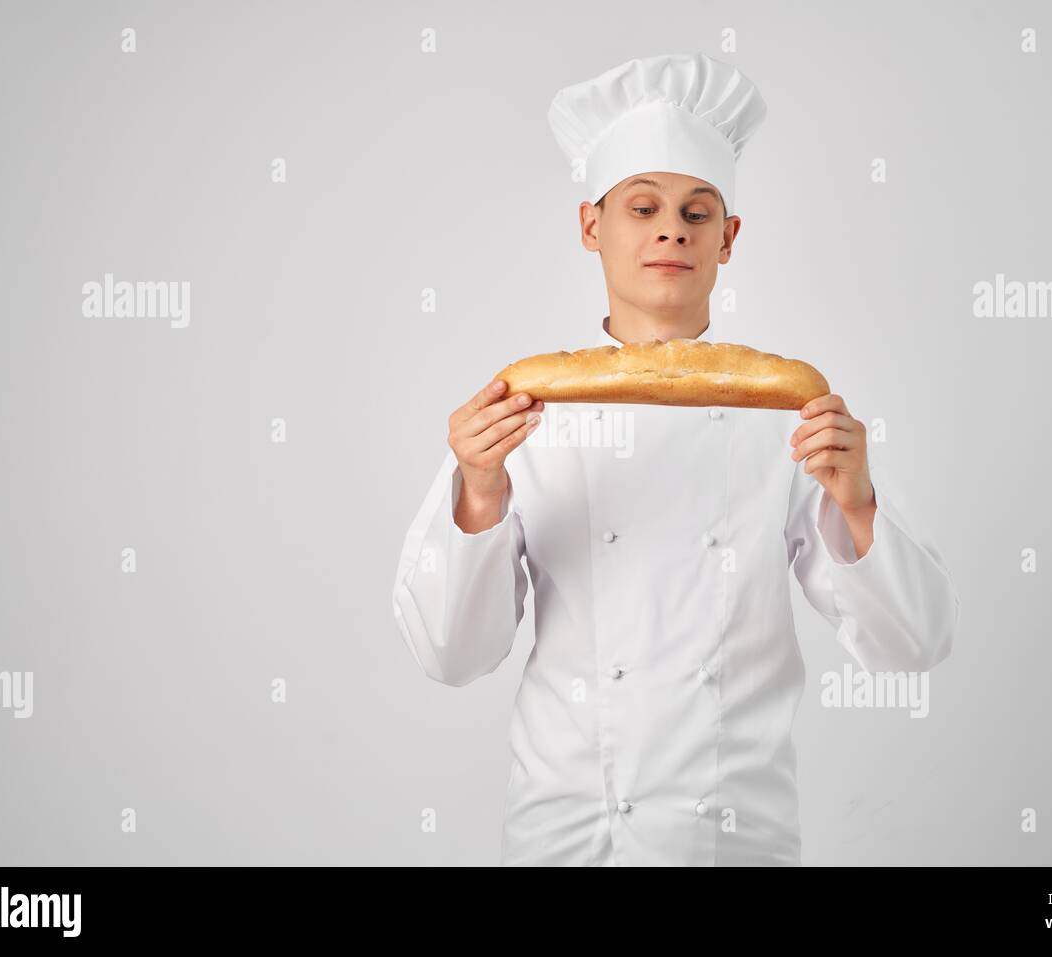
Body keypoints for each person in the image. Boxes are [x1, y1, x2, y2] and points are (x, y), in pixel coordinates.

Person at [391, 52, 960, 866]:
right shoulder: (521, 414)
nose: (671, 230)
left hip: (731, 839)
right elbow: (451, 656)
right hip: (564, 836)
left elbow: (917, 646)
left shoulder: (789, 419)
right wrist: (479, 490)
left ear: (727, 239)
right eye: (643, 207)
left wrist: (860, 505)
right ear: (592, 226)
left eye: (698, 213)